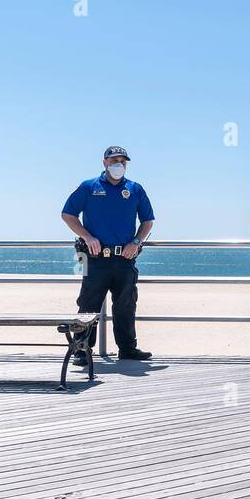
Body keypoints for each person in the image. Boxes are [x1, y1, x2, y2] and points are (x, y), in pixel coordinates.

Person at [61, 146, 155, 365]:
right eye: (114, 161)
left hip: (124, 258)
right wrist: (87, 236)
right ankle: (82, 350)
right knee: (88, 303)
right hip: (93, 258)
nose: (118, 165)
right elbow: (67, 214)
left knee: (126, 304)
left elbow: (148, 221)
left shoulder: (135, 189)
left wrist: (136, 241)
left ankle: (127, 349)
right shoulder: (88, 187)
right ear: (104, 162)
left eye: (122, 161)